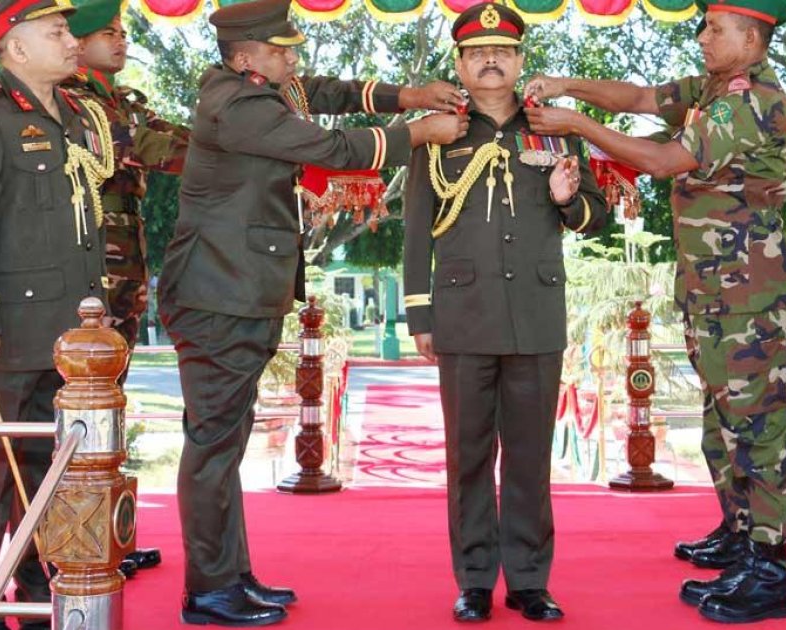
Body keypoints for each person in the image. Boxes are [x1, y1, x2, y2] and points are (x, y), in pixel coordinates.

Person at [155, 0, 466, 625]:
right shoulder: (237, 104)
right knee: (213, 446)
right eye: (282, 50)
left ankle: (229, 575)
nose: (294, 60)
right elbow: (328, 144)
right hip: (219, 294)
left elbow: (326, 89)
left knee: (224, 442)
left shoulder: (259, 86)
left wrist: (407, 95)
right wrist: (416, 134)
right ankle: (210, 590)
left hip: (235, 290)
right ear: (246, 56)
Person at [523, 0, 786, 622]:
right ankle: (740, 534)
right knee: (721, 420)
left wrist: (574, 123)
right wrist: (571, 86)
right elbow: (643, 98)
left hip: (747, 295)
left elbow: (661, 161)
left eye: (716, 29)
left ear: (752, 39)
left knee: (755, 424)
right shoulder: (713, 88)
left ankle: (771, 566)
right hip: (714, 289)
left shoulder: (749, 102)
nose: (703, 37)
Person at [403, 3, 607, 622]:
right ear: (460, 66)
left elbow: (593, 216)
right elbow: (416, 232)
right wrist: (420, 315)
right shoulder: (437, 132)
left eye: (503, 52)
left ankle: (528, 579)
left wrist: (569, 201)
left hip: (535, 314)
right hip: (462, 316)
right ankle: (472, 580)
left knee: (529, 454)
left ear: (520, 62)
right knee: (467, 456)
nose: (490, 61)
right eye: (476, 53)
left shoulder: (554, 131)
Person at [0, 0, 112, 627]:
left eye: (68, 30)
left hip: (67, 335)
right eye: (57, 31)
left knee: (49, 482)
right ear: (14, 47)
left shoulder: (77, 115)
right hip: (3, 332)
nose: (71, 40)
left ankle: (40, 604)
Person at [64, 0, 189, 355]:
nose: (121, 42)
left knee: (116, 367)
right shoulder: (70, 99)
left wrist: (240, 144)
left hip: (129, 250)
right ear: (79, 44)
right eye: (108, 34)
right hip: (92, 249)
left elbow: (181, 137)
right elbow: (145, 146)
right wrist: (230, 161)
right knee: (88, 367)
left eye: (123, 34)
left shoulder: (123, 102)